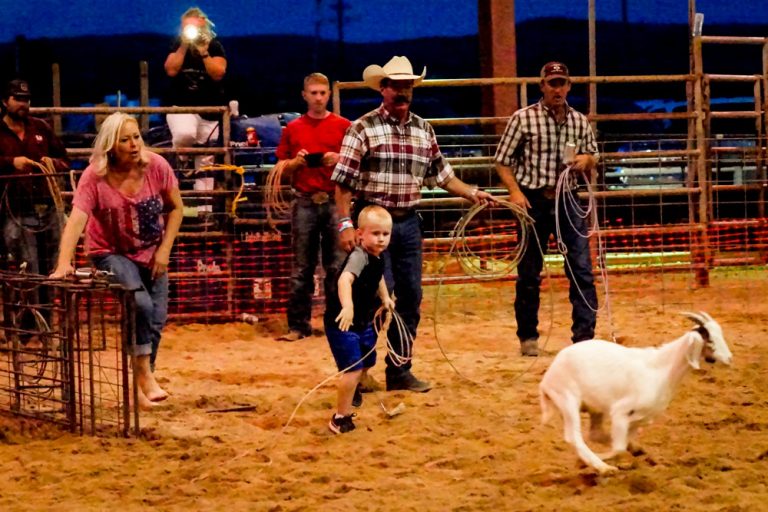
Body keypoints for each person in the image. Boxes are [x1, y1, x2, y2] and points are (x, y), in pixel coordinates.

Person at [332, 56, 493, 393]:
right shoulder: (362, 127)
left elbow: (442, 174)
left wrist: (473, 193)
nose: (402, 92)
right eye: (396, 86)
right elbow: (344, 182)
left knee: (409, 297)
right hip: (373, 223)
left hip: (406, 224)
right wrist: (346, 223)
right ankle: (360, 370)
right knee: (373, 299)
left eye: (407, 86)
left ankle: (400, 369)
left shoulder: (424, 129)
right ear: (384, 88)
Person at [50, 112, 183, 409]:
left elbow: (177, 208)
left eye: (136, 137)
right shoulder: (94, 177)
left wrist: (164, 251)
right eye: (125, 140)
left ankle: (138, 385)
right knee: (140, 304)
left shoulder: (157, 166)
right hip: (109, 251)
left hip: (151, 251)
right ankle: (145, 380)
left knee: (155, 320)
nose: (134, 144)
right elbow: (76, 221)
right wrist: (64, 262)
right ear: (112, 145)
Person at [494, 61, 599, 357]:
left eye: (562, 83)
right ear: (542, 86)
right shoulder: (523, 119)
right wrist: (514, 192)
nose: (557, 88)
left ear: (568, 86)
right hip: (533, 200)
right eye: (552, 83)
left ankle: (584, 336)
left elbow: (594, 153)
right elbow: (502, 160)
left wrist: (586, 160)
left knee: (581, 269)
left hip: (568, 199)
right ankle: (528, 336)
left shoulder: (579, 121)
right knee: (529, 272)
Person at [275, 73, 351, 342]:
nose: (318, 97)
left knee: (337, 265)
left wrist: (338, 159)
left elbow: (356, 161)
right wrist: (296, 164)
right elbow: (281, 167)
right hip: (306, 199)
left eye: (322, 93)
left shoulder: (344, 126)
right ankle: (298, 325)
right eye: (314, 93)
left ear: (328, 95)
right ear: (305, 95)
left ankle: (334, 321)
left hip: (333, 200)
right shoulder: (294, 129)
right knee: (302, 267)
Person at [324, 205, 394, 434]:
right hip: (343, 322)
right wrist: (348, 306)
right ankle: (340, 417)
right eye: (376, 234)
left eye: (385, 234)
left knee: (367, 359)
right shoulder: (359, 256)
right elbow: (344, 280)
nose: (381, 239)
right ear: (360, 235)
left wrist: (385, 297)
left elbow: (378, 278)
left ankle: (354, 387)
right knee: (353, 368)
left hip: (363, 321)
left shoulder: (377, 257)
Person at [0, 79, 69, 276]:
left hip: (47, 208)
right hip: (15, 209)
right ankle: (34, 306)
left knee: (54, 263)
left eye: (26, 99)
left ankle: (47, 306)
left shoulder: (41, 128)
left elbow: (64, 159)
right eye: (18, 99)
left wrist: (52, 163)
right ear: (5, 102)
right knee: (29, 266)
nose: (23, 104)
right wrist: (11, 162)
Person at [164, 7, 227, 185]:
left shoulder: (214, 46)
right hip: (181, 105)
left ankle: (204, 211)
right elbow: (171, 70)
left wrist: (204, 52)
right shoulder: (177, 44)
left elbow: (218, 73)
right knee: (185, 134)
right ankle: (182, 160)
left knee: (206, 163)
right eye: (186, 28)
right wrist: (184, 45)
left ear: (203, 26)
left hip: (210, 110)